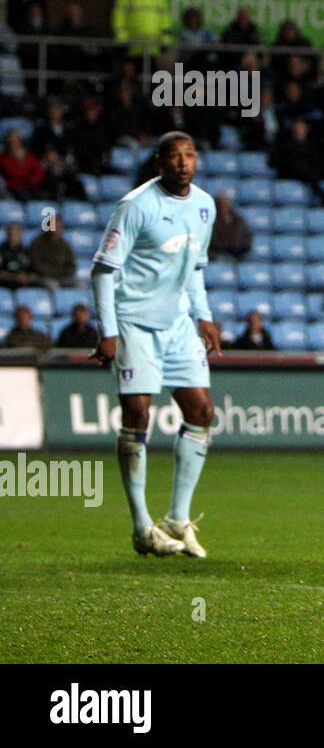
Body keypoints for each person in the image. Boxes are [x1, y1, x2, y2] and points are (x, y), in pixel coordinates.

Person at [90, 132, 219, 559]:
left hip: (179, 324)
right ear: (159, 161)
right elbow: (103, 271)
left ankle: (178, 520)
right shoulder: (135, 206)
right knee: (138, 414)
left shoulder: (205, 205)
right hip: (135, 323)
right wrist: (108, 330)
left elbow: (195, 267)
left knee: (201, 411)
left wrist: (204, 315)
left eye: (190, 155)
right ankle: (142, 527)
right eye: (175, 156)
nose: (184, 163)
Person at [27, 216, 77, 289]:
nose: (56, 229)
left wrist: (65, 274)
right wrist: (54, 274)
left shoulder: (65, 245)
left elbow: (71, 265)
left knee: (80, 284)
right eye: (53, 226)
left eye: (58, 227)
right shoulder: (37, 243)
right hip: (42, 277)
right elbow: (36, 265)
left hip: (62, 277)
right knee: (53, 285)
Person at [208, 192, 253, 260]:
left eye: (226, 203)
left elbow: (247, 237)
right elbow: (211, 240)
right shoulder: (212, 220)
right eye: (222, 204)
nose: (224, 206)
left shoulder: (239, 220)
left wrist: (241, 249)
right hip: (218, 254)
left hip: (238, 254)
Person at [0, 224, 36, 288]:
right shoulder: (2, 250)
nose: (13, 237)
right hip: (6, 281)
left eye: (16, 235)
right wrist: (14, 277)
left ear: (21, 235)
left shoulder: (25, 251)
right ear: (7, 235)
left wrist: (27, 276)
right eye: (11, 234)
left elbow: (32, 270)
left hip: (22, 282)